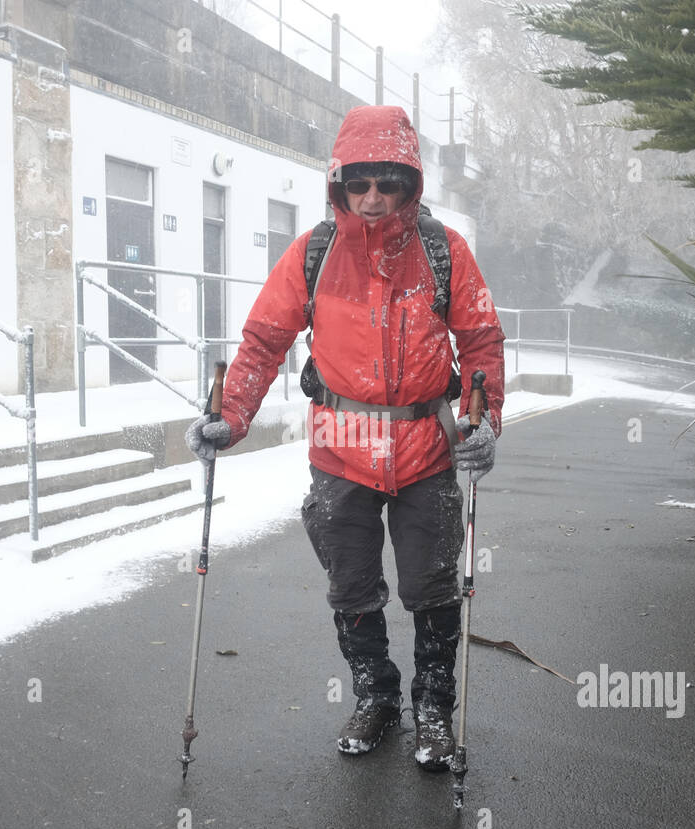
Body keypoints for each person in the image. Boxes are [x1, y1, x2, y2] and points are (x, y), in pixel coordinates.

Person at [186, 104, 504, 770]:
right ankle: (376, 695)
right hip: (340, 454)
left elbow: (478, 339)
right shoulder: (315, 253)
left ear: (408, 183)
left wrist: (480, 419)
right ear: (340, 184)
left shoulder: (444, 252)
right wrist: (231, 413)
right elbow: (263, 339)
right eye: (358, 183)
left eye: (386, 183)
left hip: (426, 453)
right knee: (352, 588)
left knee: (433, 588)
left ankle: (436, 708)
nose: (371, 197)